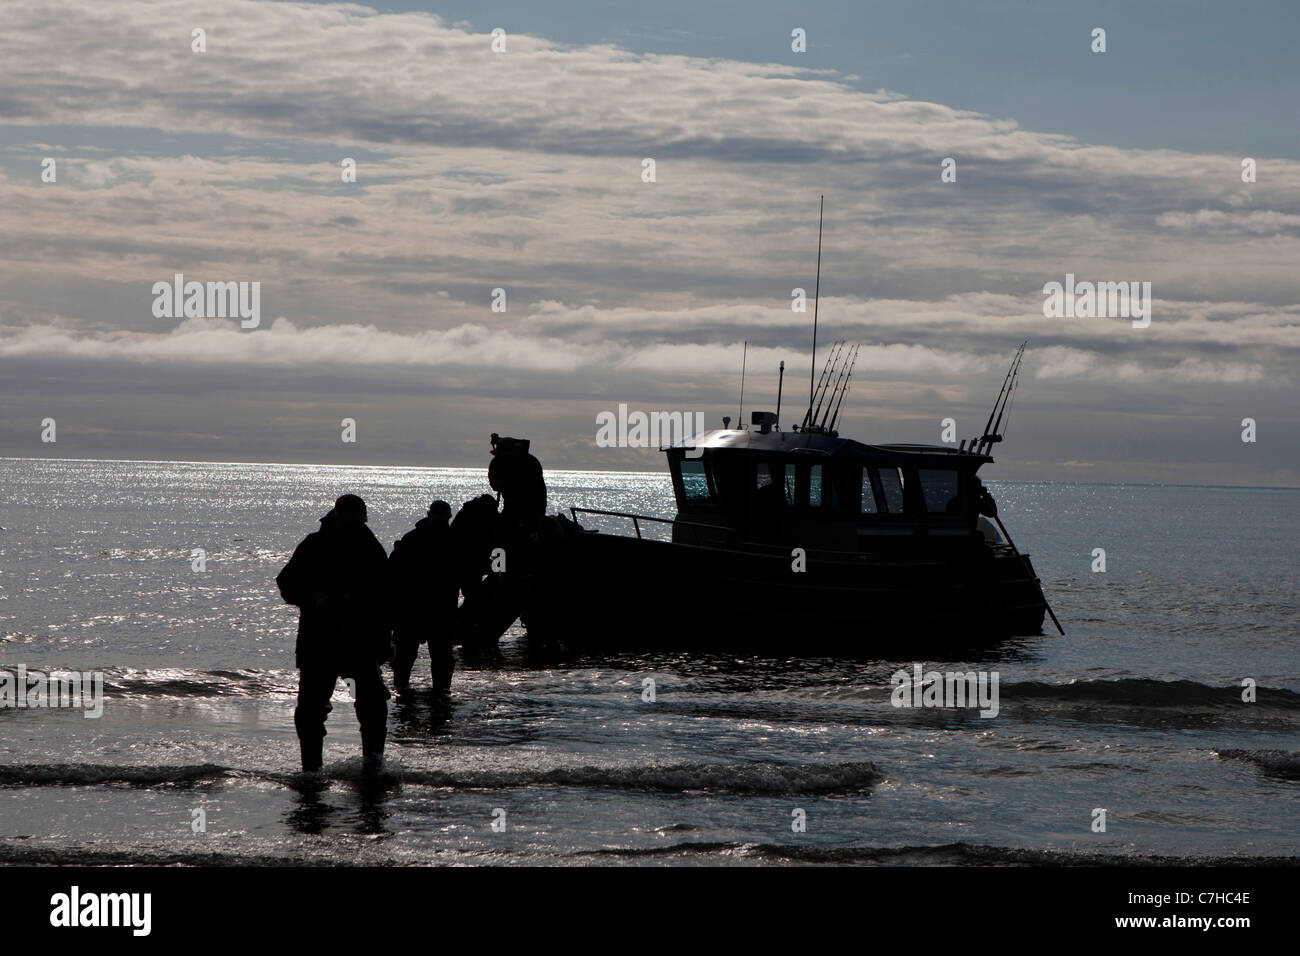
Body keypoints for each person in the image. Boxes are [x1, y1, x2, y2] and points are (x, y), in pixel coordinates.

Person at [276, 494, 392, 774]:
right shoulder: (314, 544)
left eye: (357, 517)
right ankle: (311, 770)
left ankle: (373, 765)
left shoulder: (369, 547)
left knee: (373, 705)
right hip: (320, 639)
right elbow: (286, 583)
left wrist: (386, 639)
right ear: (338, 515)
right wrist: (314, 596)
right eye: (349, 517)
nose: (354, 522)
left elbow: (386, 596)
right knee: (311, 710)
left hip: (358, 639)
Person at [389, 500, 458, 694]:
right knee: (436, 658)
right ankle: (436, 692)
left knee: (408, 658)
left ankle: (404, 690)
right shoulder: (454, 541)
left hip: (416, 609)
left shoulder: (412, 538)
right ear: (449, 516)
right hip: (433, 609)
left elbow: (392, 573)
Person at [487, 433, 546, 531]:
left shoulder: (503, 462)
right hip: (536, 510)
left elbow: (495, 485)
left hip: (521, 510)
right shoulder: (530, 460)